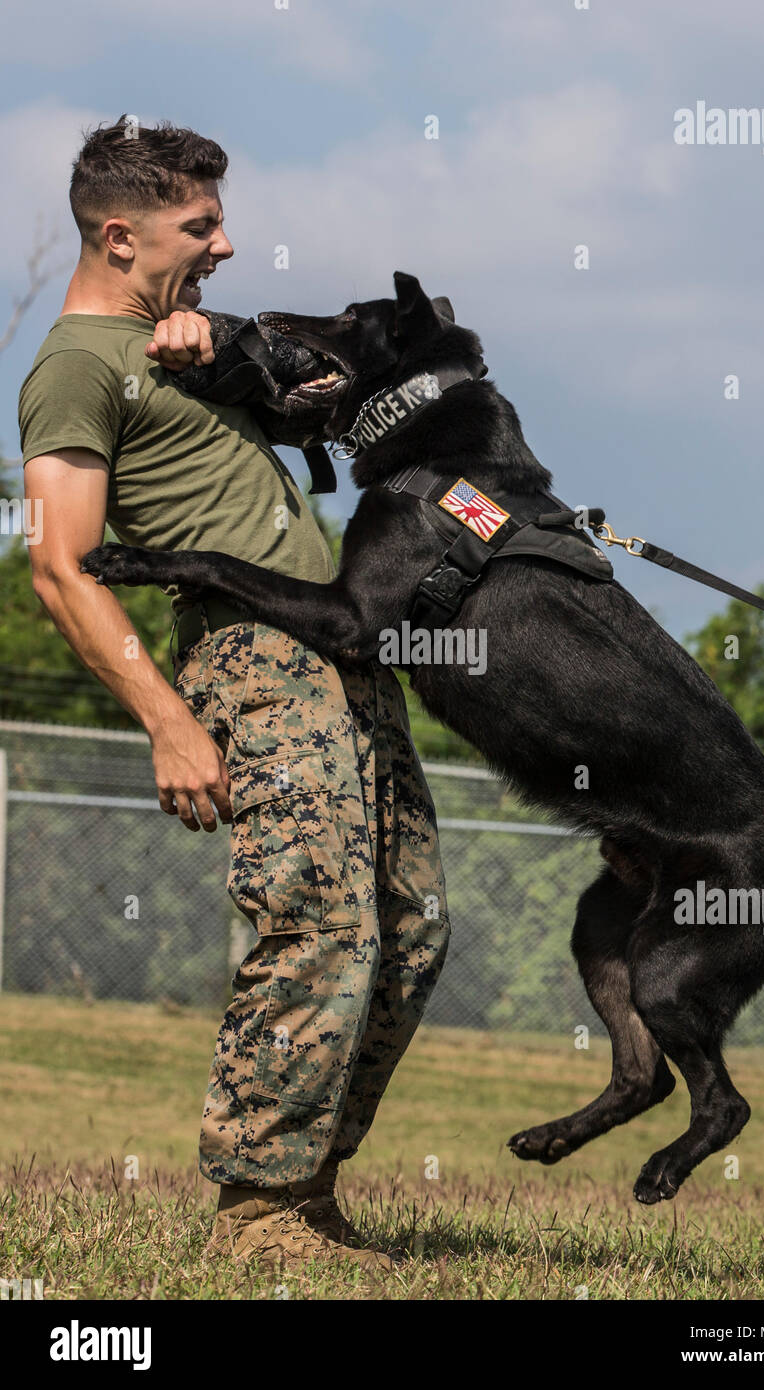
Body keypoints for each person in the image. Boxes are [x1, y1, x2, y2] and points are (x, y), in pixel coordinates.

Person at [19, 116, 450, 1271]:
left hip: (342, 649)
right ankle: (257, 1213)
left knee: (409, 932)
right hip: (252, 662)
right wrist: (168, 719)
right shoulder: (76, 366)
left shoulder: (182, 347)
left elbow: (334, 391)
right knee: (317, 921)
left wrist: (231, 355)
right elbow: (58, 561)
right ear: (119, 235)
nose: (222, 242)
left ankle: (308, 1189)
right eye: (196, 226)